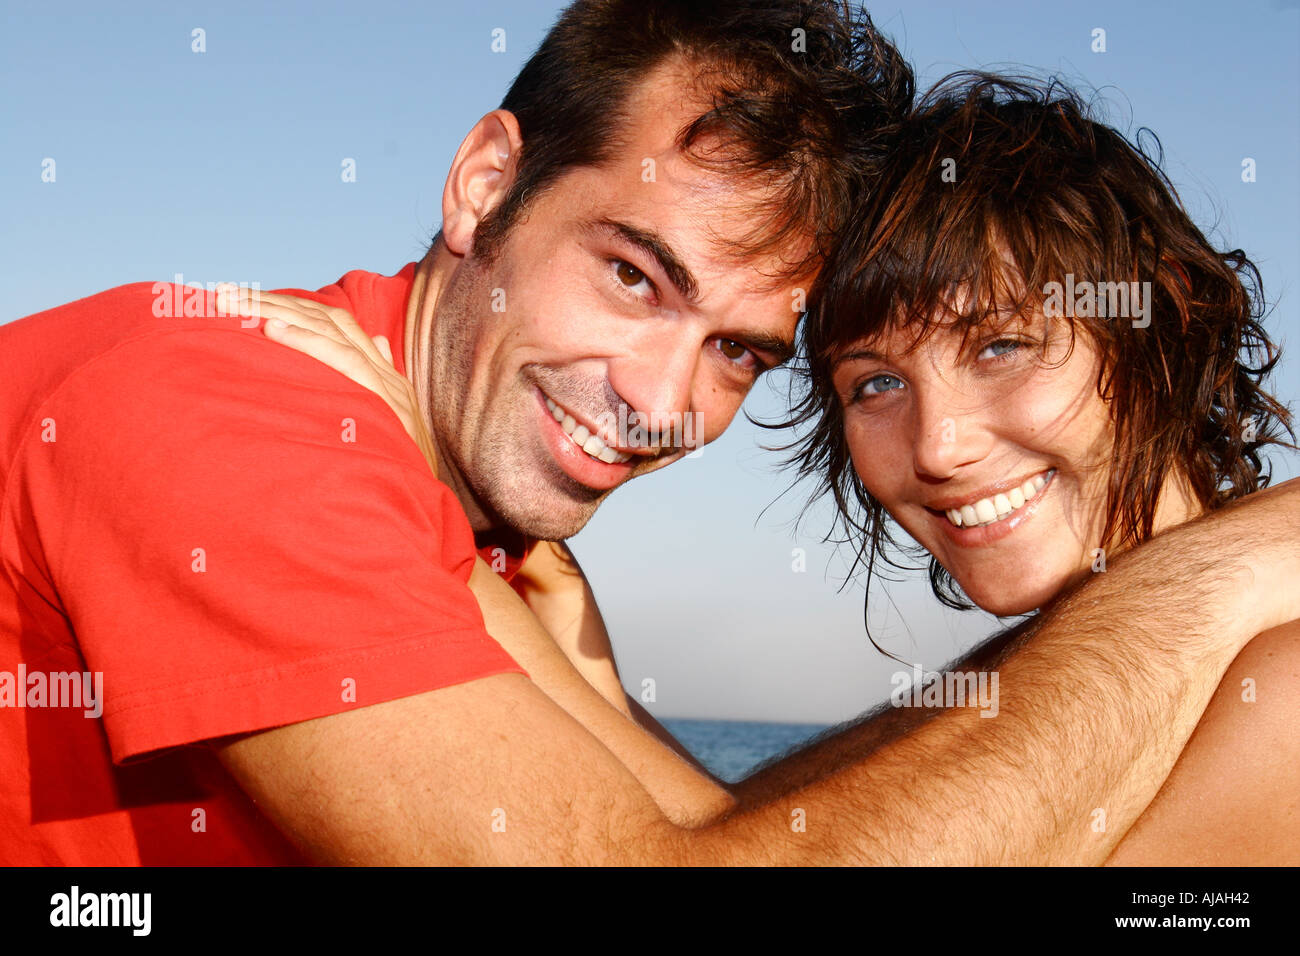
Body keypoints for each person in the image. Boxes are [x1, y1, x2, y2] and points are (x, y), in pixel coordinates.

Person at [1, 0, 1297, 865]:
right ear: (485, 182)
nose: (663, 402)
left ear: (1159, 327)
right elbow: (714, 840)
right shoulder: (248, 423)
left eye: (740, 350)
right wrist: (1215, 574)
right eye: (633, 275)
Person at [785, 73, 1299, 864]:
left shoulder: (1279, 694)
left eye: (1002, 347)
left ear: (1158, 317)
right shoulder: (1039, 694)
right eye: (876, 383)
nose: (936, 447)